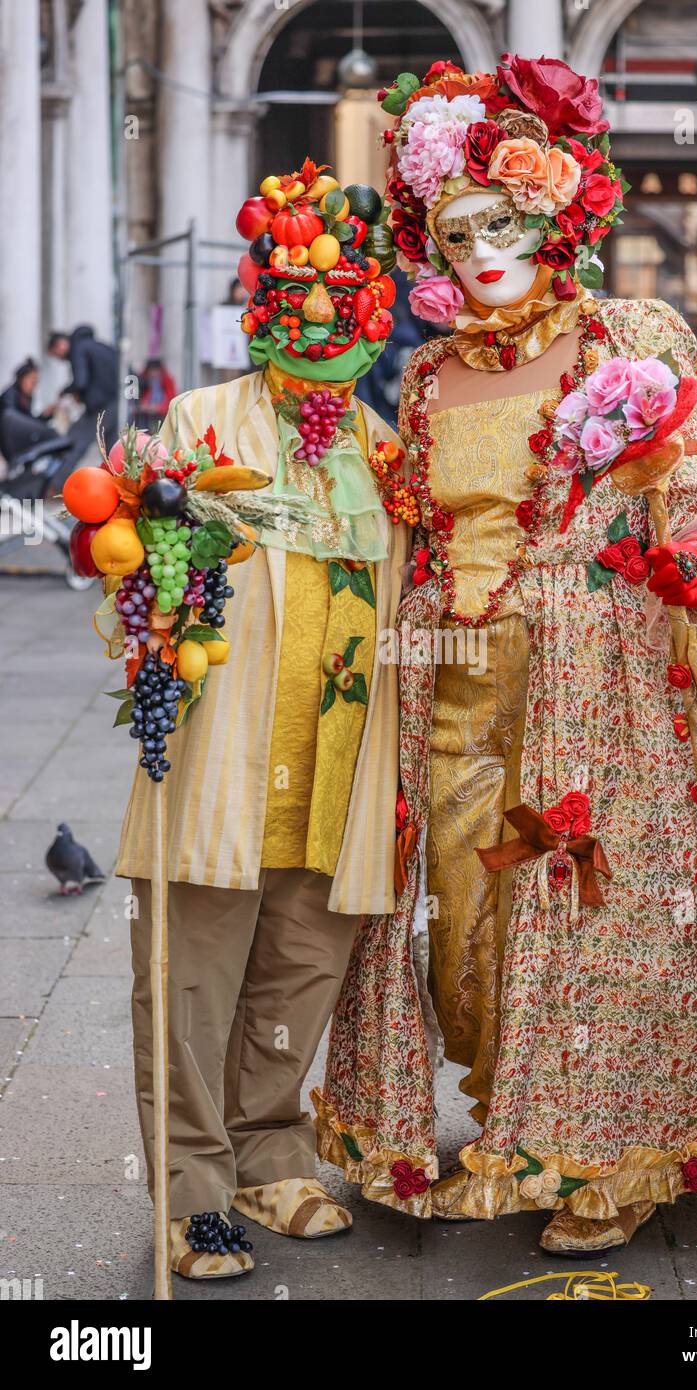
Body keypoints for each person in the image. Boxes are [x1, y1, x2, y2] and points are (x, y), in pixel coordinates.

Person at [316, 57, 697, 1255]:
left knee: (594, 909)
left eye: (505, 220)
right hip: (451, 683)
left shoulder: (629, 330)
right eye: (458, 233)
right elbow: (405, 518)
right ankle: (522, 1114)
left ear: (555, 212)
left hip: (599, 682)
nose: (484, 249)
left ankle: (608, 1155)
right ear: (434, 248)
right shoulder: (423, 371)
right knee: (465, 919)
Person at [113, 160, 409, 1280]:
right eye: (298, 300)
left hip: (337, 765)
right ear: (262, 304)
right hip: (221, 762)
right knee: (192, 977)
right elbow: (139, 564)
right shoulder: (200, 419)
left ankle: (270, 1152)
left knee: (299, 968)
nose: (323, 320)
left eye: (344, 302)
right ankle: (193, 1193)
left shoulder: (384, 453)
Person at [48, 325, 119, 466]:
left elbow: (81, 382)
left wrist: (66, 391)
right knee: (111, 448)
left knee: (74, 441)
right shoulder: (97, 345)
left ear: (60, 345)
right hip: (116, 401)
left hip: (101, 405)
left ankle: (53, 484)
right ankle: (117, 482)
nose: (60, 358)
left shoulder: (78, 349)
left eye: (56, 354)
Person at [0, 358, 57, 461]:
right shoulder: (9, 396)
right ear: (22, 379)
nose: (34, 386)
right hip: (9, 444)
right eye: (32, 382)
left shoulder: (27, 397)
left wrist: (45, 416)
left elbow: (29, 421)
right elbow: (13, 422)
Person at [134, 358, 177, 433]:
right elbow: (138, 401)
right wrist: (144, 407)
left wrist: (157, 408)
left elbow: (172, 401)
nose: (153, 373)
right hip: (146, 416)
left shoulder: (167, 381)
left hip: (162, 414)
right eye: (151, 371)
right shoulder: (143, 381)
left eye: (155, 370)